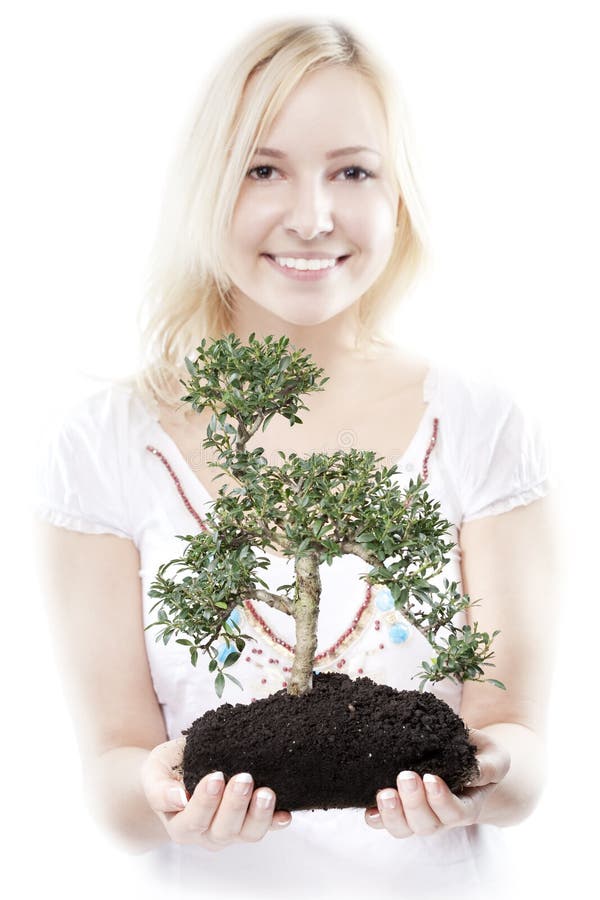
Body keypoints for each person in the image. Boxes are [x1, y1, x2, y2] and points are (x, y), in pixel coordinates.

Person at [32, 16, 560, 900]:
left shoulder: (477, 422)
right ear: (209, 183)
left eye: (352, 171)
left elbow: (519, 741)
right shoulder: (107, 441)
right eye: (263, 169)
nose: (311, 217)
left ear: (398, 193)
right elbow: (111, 767)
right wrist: (153, 791)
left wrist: (492, 774)